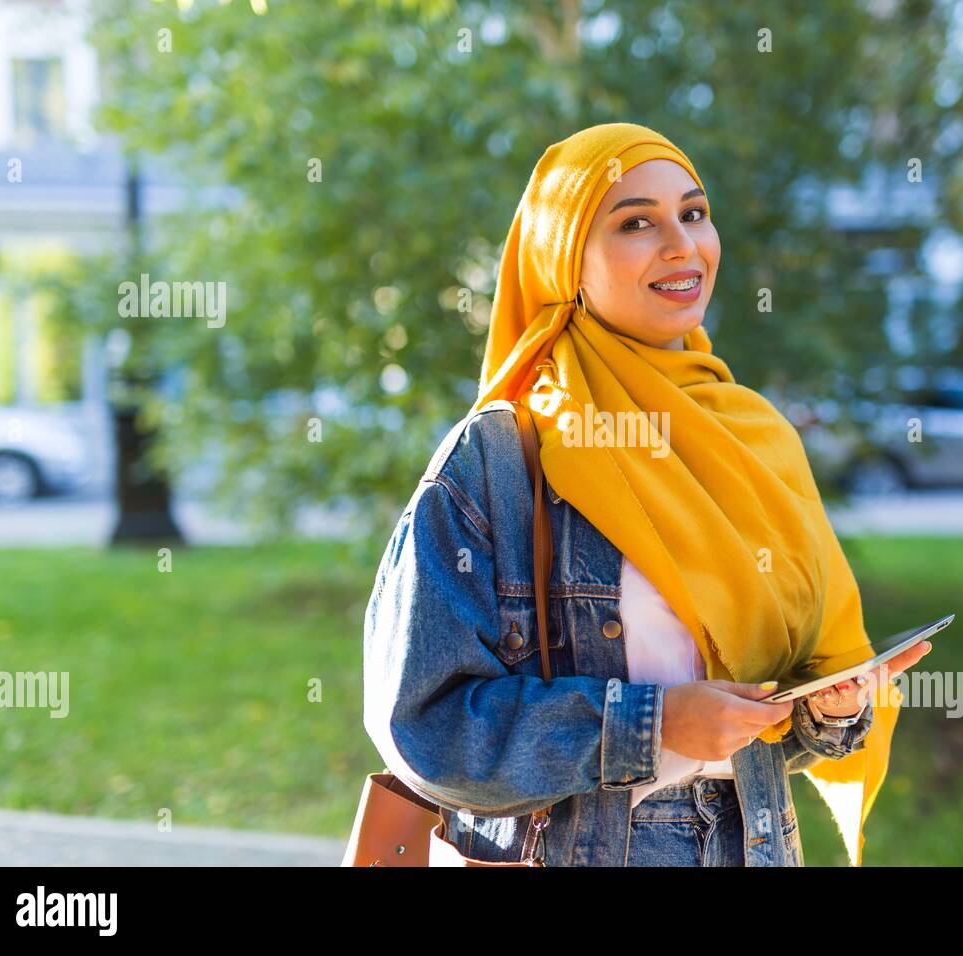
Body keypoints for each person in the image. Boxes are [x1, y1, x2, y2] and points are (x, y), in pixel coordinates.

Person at [363, 122, 931, 867]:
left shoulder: (753, 435)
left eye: (694, 213)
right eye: (636, 222)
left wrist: (829, 708)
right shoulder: (502, 457)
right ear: (567, 258)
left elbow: (761, 724)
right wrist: (652, 724)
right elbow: (425, 726)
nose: (682, 246)